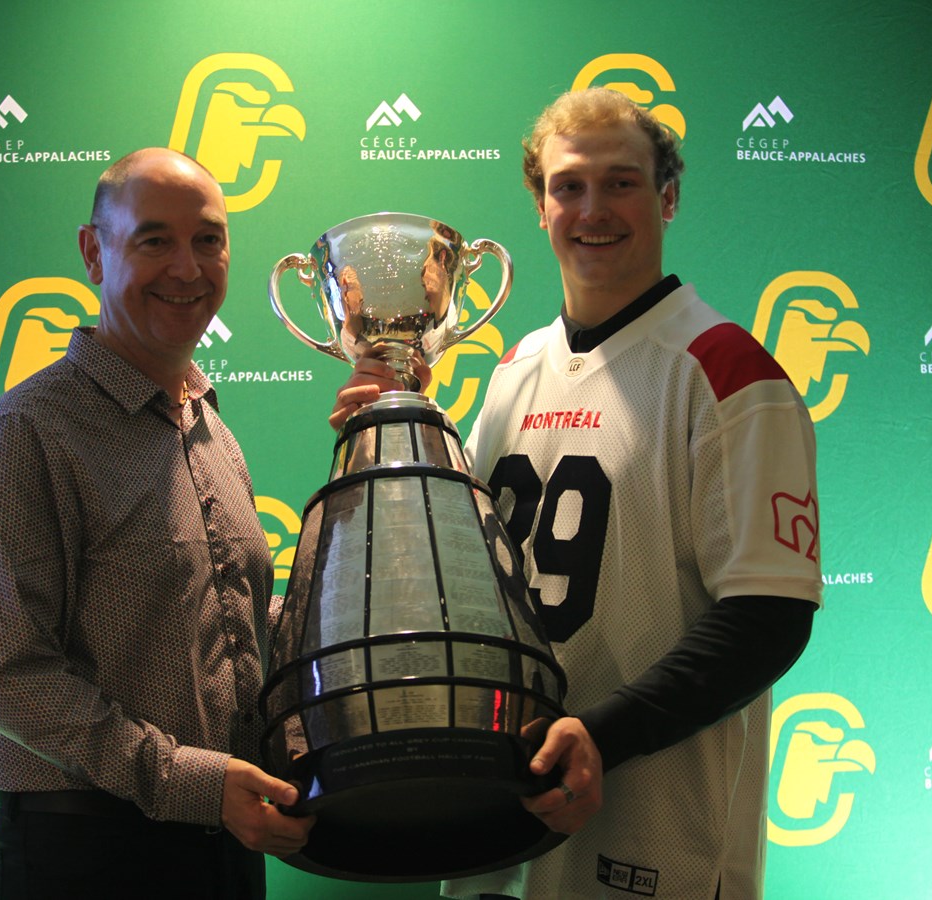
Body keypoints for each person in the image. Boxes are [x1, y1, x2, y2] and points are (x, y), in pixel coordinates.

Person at [330, 88, 822, 900]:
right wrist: (381, 435)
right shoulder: (513, 369)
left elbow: (768, 618)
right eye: (569, 187)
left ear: (667, 198)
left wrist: (600, 736)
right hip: (501, 823)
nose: (594, 209)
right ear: (539, 206)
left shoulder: (729, 373)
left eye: (622, 183)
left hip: (654, 831)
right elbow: (466, 580)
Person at [0, 147, 313, 899]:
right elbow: (13, 684)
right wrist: (194, 784)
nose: (187, 266)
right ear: (94, 251)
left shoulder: (211, 429)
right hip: (85, 858)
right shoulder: (28, 434)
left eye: (207, 239)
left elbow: (236, 623)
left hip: (225, 848)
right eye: (154, 240)